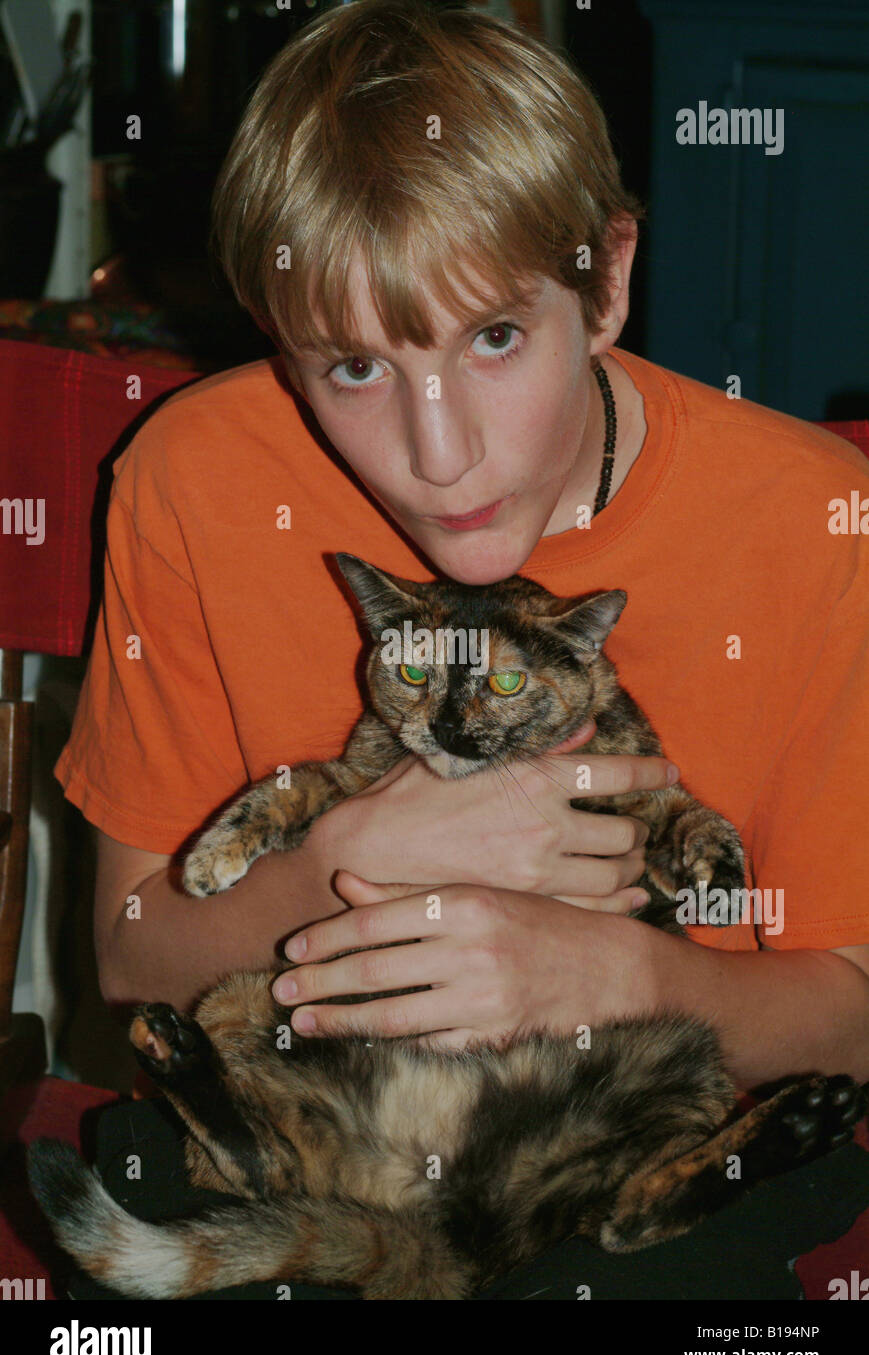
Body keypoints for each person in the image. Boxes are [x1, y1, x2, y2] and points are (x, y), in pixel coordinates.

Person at [54, 0, 868, 1095]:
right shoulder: (191, 473)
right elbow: (129, 960)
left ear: (607, 281)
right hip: (326, 1140)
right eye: (352, 367)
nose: (437, 455)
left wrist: (605, 976)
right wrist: (335, 867)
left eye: (492, 338)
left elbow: (852, 1024)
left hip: (657, 1152)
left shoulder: (816, 519)